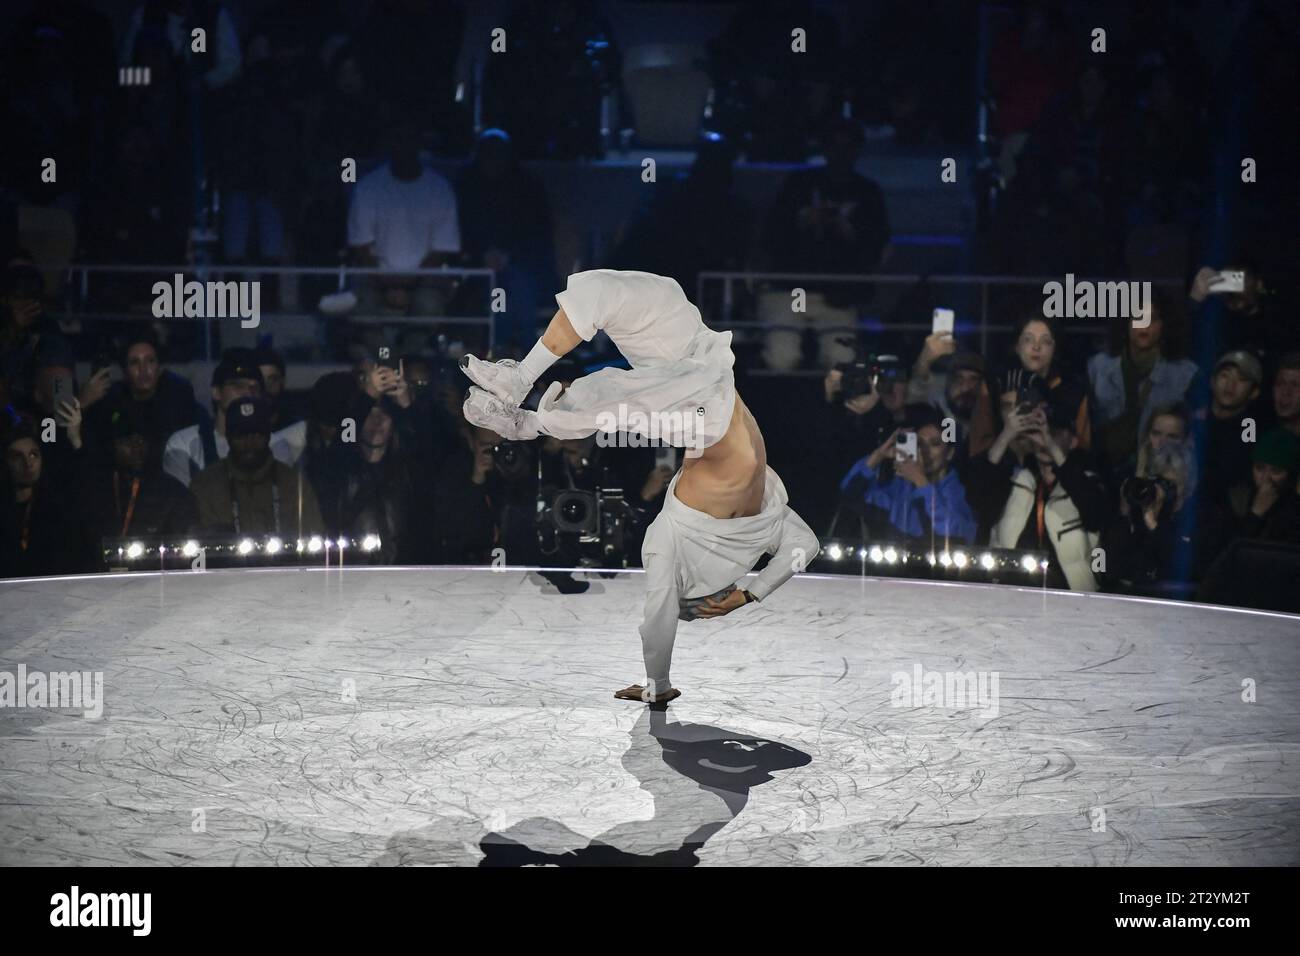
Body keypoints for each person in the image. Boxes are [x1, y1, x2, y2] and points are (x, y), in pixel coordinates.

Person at [459, 269, 820, 705]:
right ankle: (518, 377)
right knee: (635, 292)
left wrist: (657, 685)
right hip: (708, 370)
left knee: (619, 400)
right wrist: (747, 595)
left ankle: (525, 423)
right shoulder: (766, 520)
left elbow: (657, 619)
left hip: (698, 409)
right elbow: (806, 544)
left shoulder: (667, 539)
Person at [965, 380, 1109, 591]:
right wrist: (1007, 434)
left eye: (1055, 432)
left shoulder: (1088, 481)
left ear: (1073, 441)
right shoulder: (1016, 480)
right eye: (1041, 432)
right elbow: (978, 500)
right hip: (1011, 595)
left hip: (1070, 599)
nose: (1044, 438)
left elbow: (1095, 513)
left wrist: (1051, 445)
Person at [1088, 290, 1198, 477]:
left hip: (1161, 471)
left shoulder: (1185, 374)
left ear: (1164, 325)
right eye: (1138, 317)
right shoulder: (1098, 366)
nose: (1144, 325)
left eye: (1152, 319)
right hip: (1102, 470)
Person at [838, 403, 978, 545]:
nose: (924, 452)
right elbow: (850, 494)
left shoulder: (960, 493)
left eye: (934, 444)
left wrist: (921, 482)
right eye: (919, 444)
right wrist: (878, 455)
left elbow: (949, 536)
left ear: (950, 452)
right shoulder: (899, 490)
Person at [189, 396, 323, 539]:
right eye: (241, 436)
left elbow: (315, 538)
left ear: (268, 436)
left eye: (257, 435)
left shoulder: (293, 484)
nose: (249, 444)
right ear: (227, 437)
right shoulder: (205, 485)